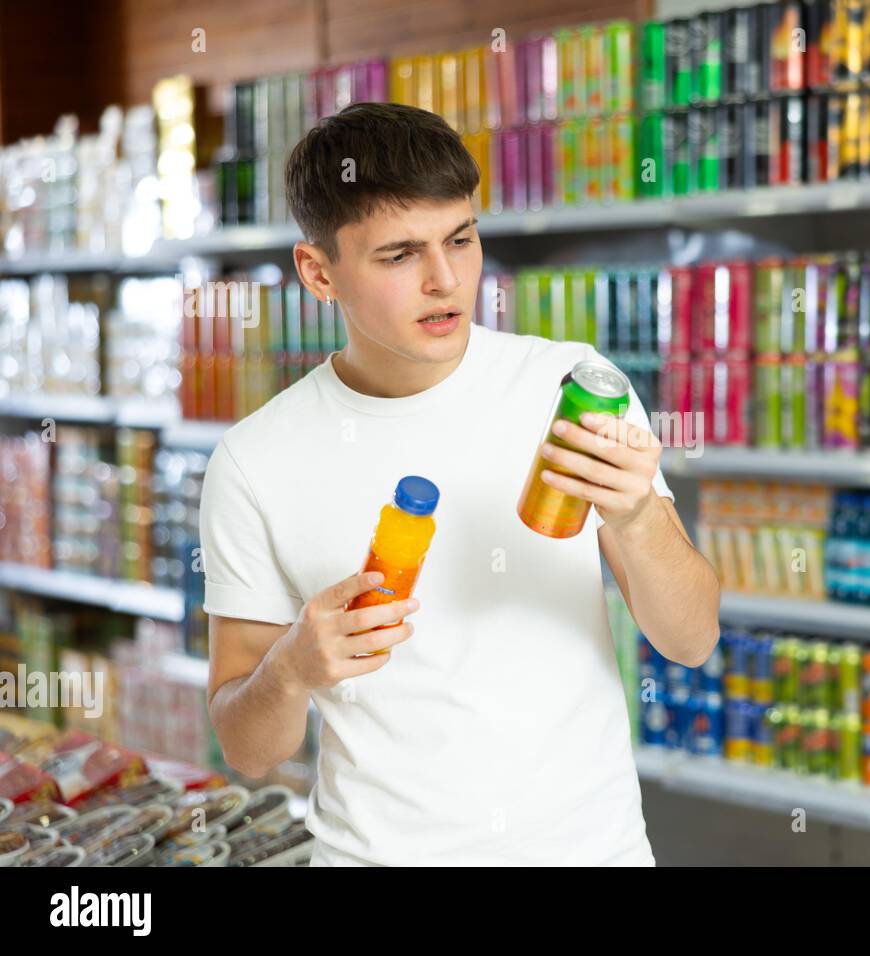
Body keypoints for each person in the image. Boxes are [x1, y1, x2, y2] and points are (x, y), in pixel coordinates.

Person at [199, 102, 721, 866]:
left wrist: (638, 516)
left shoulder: (569, 387)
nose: (445, 280)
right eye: (399, 255)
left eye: (461, 240)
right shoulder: (254, 460)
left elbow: (693, 639)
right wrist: (290, 671)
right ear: (318, 272)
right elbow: (247, 749)